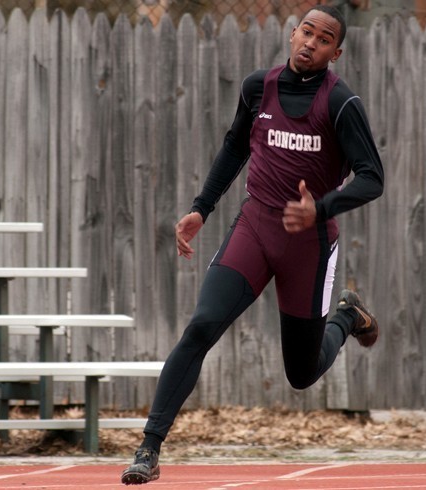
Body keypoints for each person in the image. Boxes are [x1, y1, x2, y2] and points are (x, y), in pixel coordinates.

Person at [121, 5, 384, 485]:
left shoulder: (342, 104)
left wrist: (321, 208)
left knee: (301, 374)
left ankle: (346, 317)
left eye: (323, 39)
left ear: (335, 52)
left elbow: (373, 178)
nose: (311, 43)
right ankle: (148, 449)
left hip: (309, 244)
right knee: (200, 327)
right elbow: (235, 146)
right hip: (255, 228)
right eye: (306, 32)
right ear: (292, 34)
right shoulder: (257, 87)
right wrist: (202, 207)